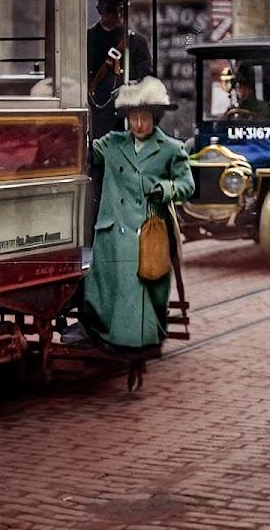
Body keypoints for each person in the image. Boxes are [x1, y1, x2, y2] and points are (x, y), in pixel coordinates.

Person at [80, 76, 194, 384]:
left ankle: (140, 350)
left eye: (144, 118)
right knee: (107, 289)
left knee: (147, 290)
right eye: (133, 118)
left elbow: (187, 184)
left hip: (149, 232)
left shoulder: (171, 149)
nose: (139, 124)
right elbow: (84, 153)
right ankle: (113, 342)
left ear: (155, 118)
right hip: (114, 231)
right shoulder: (112, 144)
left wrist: (165, 188)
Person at [88, 0, 152, 139]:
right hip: (97, 111)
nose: (117, 16)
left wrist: (129, 86)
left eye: (121, 11)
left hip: (127, 109)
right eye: (111, 11)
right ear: (100, 10)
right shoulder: (88, 40)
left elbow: (146, 73)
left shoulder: (136, 42)